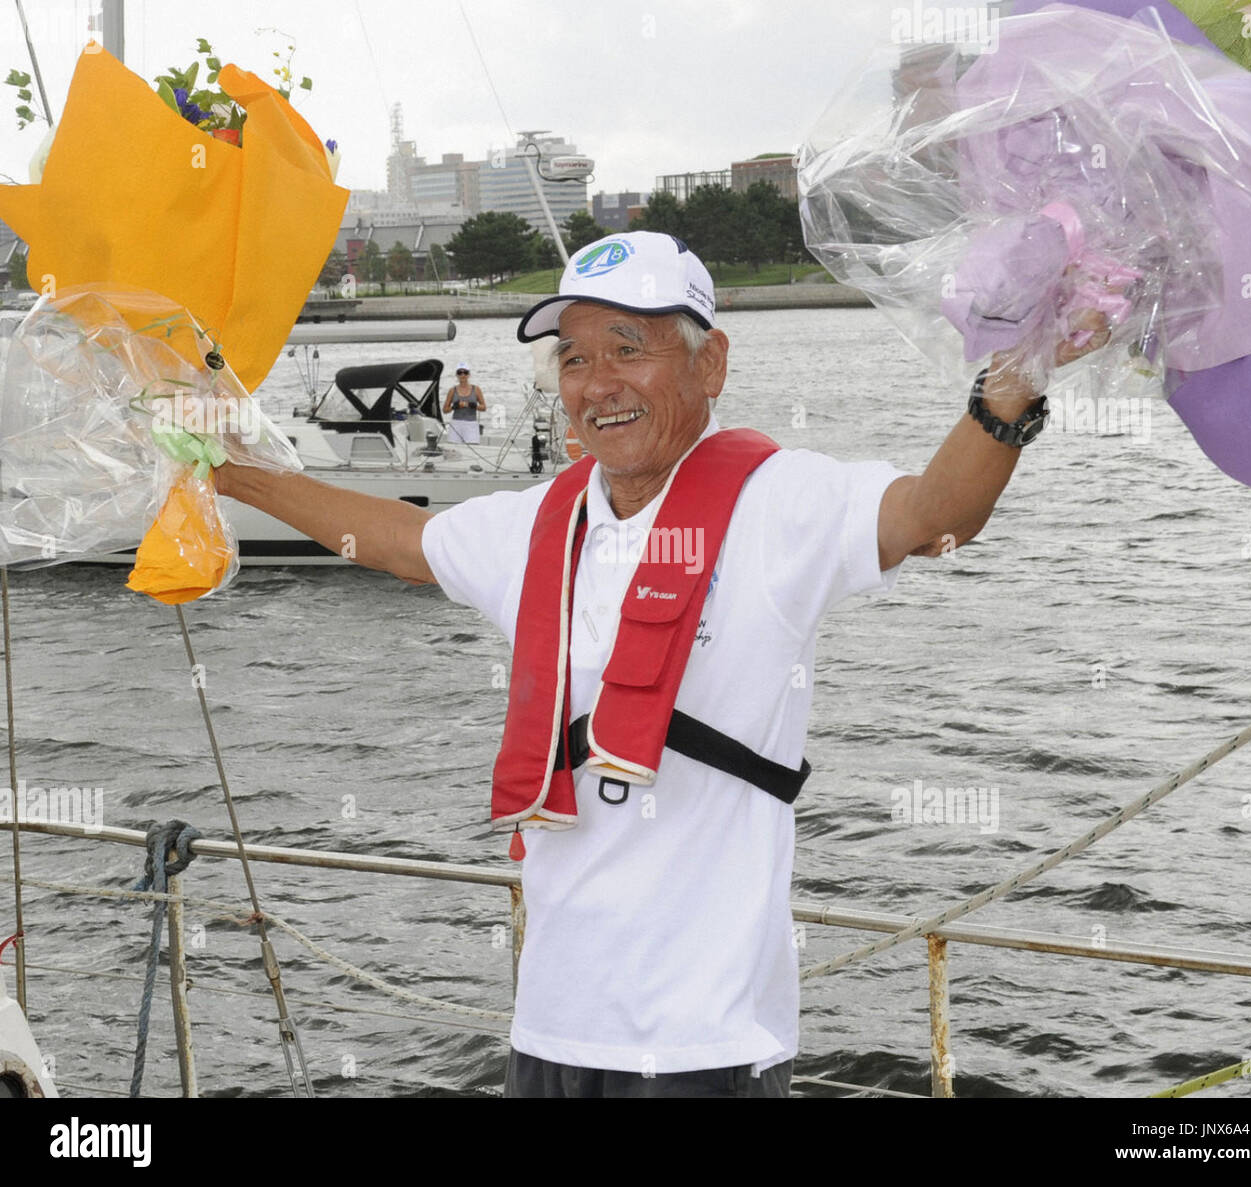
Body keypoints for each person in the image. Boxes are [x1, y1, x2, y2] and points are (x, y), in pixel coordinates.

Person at [213, 230, 1110, 1098]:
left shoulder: (779, 504)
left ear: (709, 364)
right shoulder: (540, 525)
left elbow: (933, 516)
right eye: (572, 358)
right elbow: (398, 539)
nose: (598, 383)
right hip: (550, 1031)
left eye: (628, 347)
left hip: (706, 1043)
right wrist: (225, 463)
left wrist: (1014, 383)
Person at [443, 363, 486, 444]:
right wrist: (454, 407)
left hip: (471, 424)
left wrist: (473, 406)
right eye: (460, 372)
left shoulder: (476, 389)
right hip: (456, 424)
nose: (462, 375)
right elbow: (445, 410)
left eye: (465, 372)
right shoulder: (452, 390)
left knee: (472, 449)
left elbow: (484, 407)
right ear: (457, 375)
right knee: (453, 453)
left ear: (469, 375)